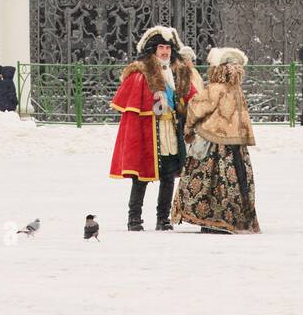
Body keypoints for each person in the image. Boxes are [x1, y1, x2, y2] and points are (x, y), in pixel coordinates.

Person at [110, 26, 194, 232]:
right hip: (148, 132)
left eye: (167, 47)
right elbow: (133, 107)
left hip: (171, 130)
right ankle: (134, 219)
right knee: (141, 177)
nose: (164, 51)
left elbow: (191, 98)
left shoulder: (179, 71)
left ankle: (163, 219)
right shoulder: (141, 72)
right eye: (160, 47)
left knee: (168, 175)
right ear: (153, 49)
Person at [174, 47, 260, 235]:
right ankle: (233, 216)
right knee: (235, 180)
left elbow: (197, 108)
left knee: (209, 179)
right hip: (236, 146)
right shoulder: (237, 90)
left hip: (212, 142)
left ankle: (210, 217)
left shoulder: (215, 89)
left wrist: (189, 128)